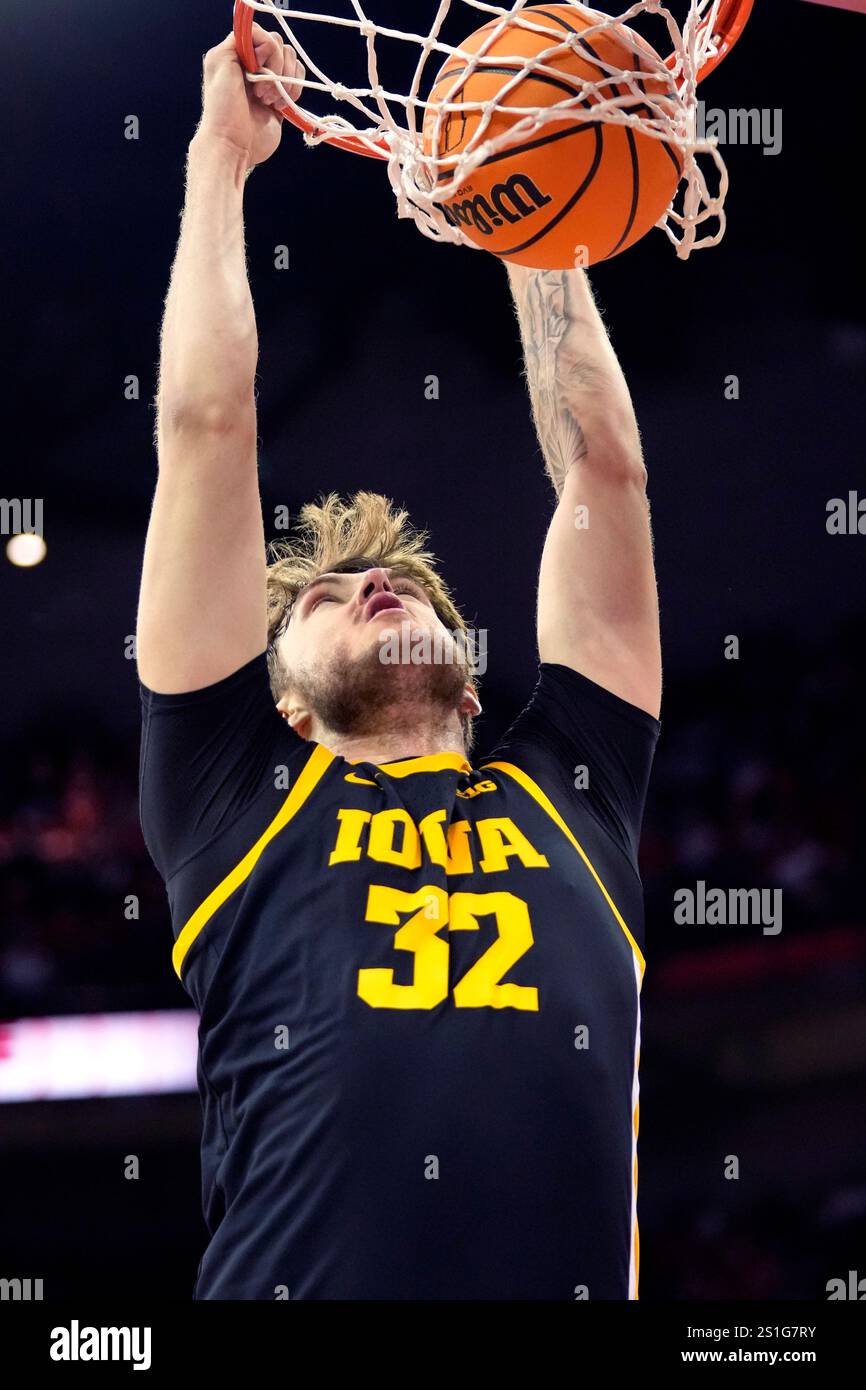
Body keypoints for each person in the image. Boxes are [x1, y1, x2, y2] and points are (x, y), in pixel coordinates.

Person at [137, 23, 662, 1300]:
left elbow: (602, 473)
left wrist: (537, 213)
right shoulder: (235, 798)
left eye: (402, 587)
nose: (373, 584)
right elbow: (208, 427)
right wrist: (219, 158)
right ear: (283, 704)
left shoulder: (567, 789)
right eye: (325, 598)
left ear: (475, 685)